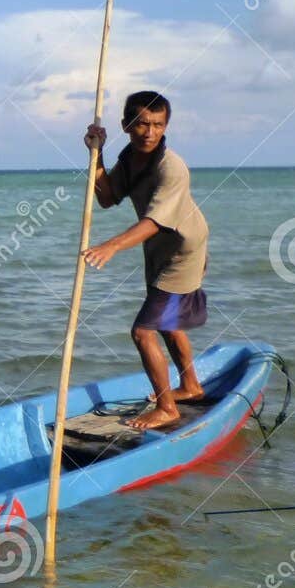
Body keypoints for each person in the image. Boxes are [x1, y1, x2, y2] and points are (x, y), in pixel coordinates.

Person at [83, 90, 210, 430]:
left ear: (166, 125)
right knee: (166, 322)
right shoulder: (130, 157)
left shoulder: (174, 168)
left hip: (183, 250)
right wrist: (97, 155)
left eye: (158, 124)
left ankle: (167, 408)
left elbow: (154, 221)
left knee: (143, 331)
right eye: (142, 124)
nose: (150, 132)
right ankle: (191, 387)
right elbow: (108, 197)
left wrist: (112, 245)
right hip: (158, 248)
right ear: (127, 125)